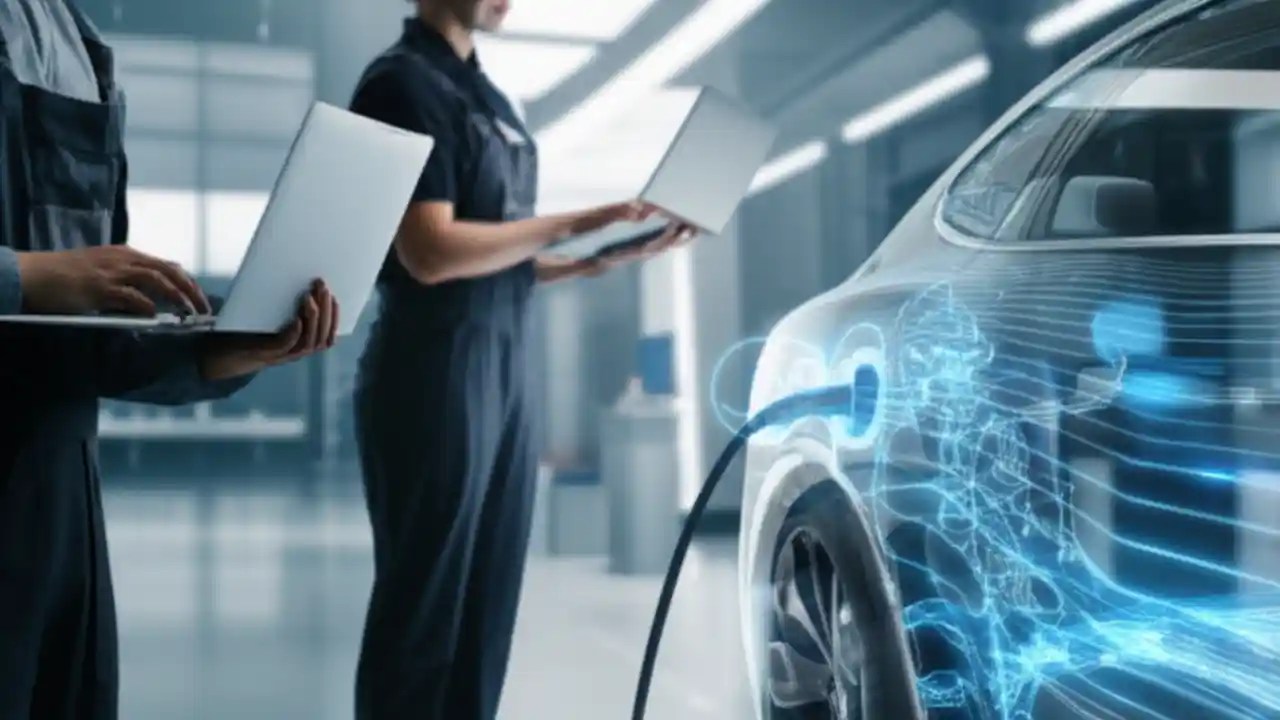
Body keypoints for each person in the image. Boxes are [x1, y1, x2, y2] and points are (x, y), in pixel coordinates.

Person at [348, 1, 694, 717]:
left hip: (507, 372)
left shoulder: (493, 102)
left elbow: (498, 256)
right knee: (426, 609)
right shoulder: (400, 86)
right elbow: (430, 251)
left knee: (486, 607)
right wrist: (578, 219)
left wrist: (592, 259)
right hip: (434, 372)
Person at [0, 2, 339, 718]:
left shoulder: (77, 41)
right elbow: (54, 280)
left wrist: (237, 345)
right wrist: (26, 276)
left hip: (61, 489)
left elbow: (94, 333)